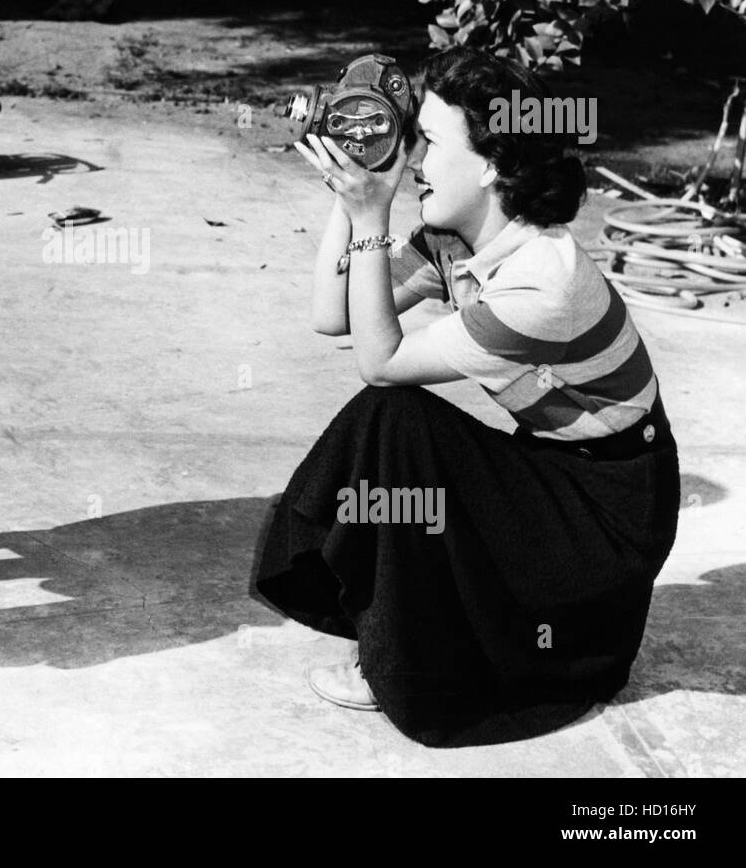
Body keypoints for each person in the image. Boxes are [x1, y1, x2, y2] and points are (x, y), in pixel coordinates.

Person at [254, 45, 681, 747]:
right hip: (553, 473)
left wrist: (372, 220)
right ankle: (379, 620)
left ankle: (403, 659)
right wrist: (352, 195)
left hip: (609, 519)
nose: (416, 158)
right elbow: (334, 315)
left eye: (432, 140)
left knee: (401, 422)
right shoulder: (457, 242)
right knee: (405, 432)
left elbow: (379, 360)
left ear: (490, 165)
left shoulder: (543, 282)